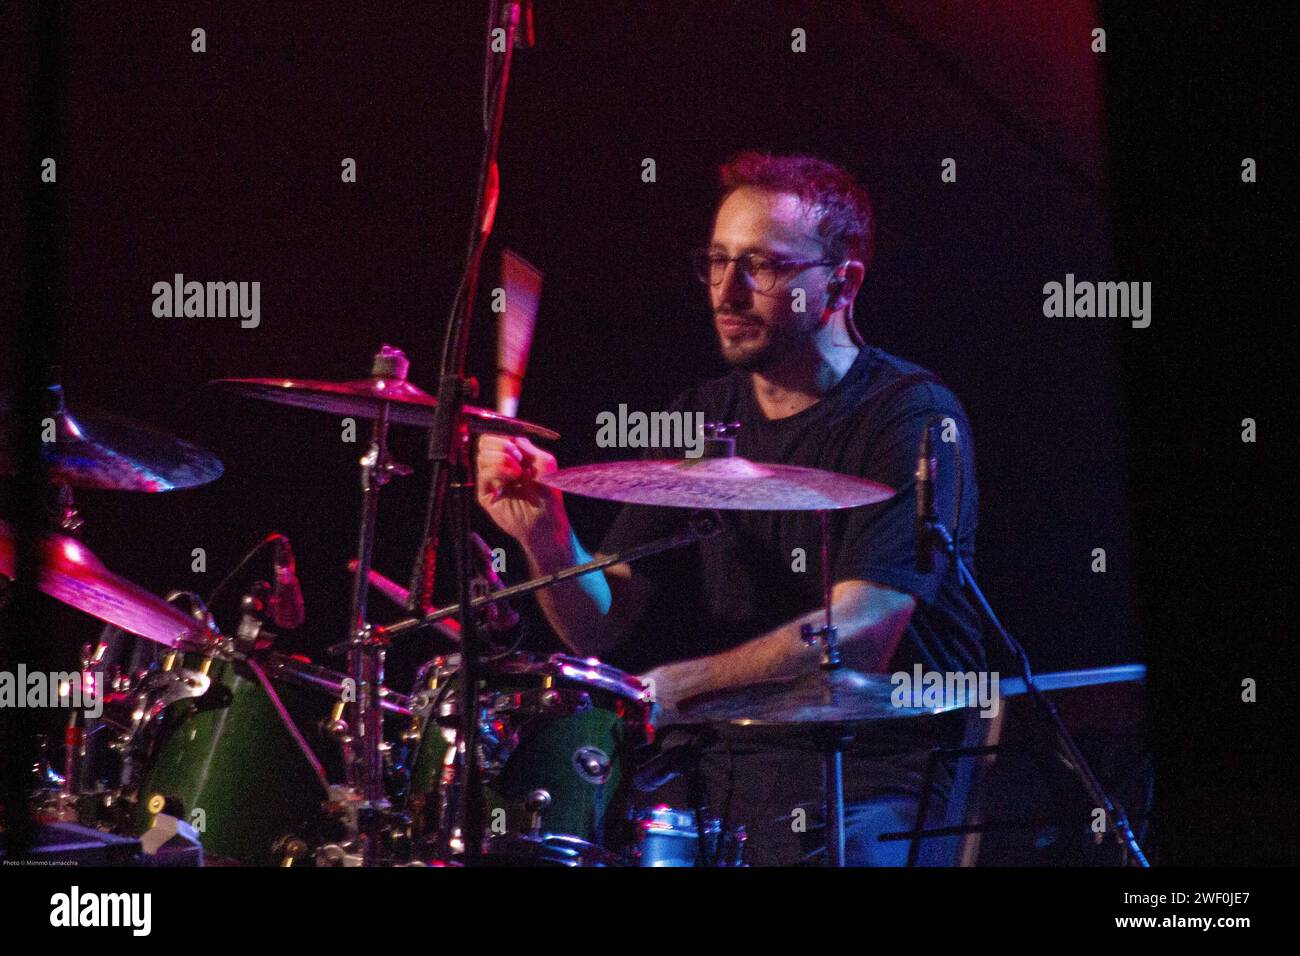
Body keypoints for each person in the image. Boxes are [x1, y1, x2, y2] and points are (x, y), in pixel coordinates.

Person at [475, 152, 983, 865]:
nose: (727, 291)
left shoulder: (911, 416)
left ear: (843, 283)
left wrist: (682, 685)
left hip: (873, 775)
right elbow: (601, 622)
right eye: (717, 260)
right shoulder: (702, 416)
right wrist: (549, 536)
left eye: (764, 266)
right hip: (719, 768)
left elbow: (863, 630)